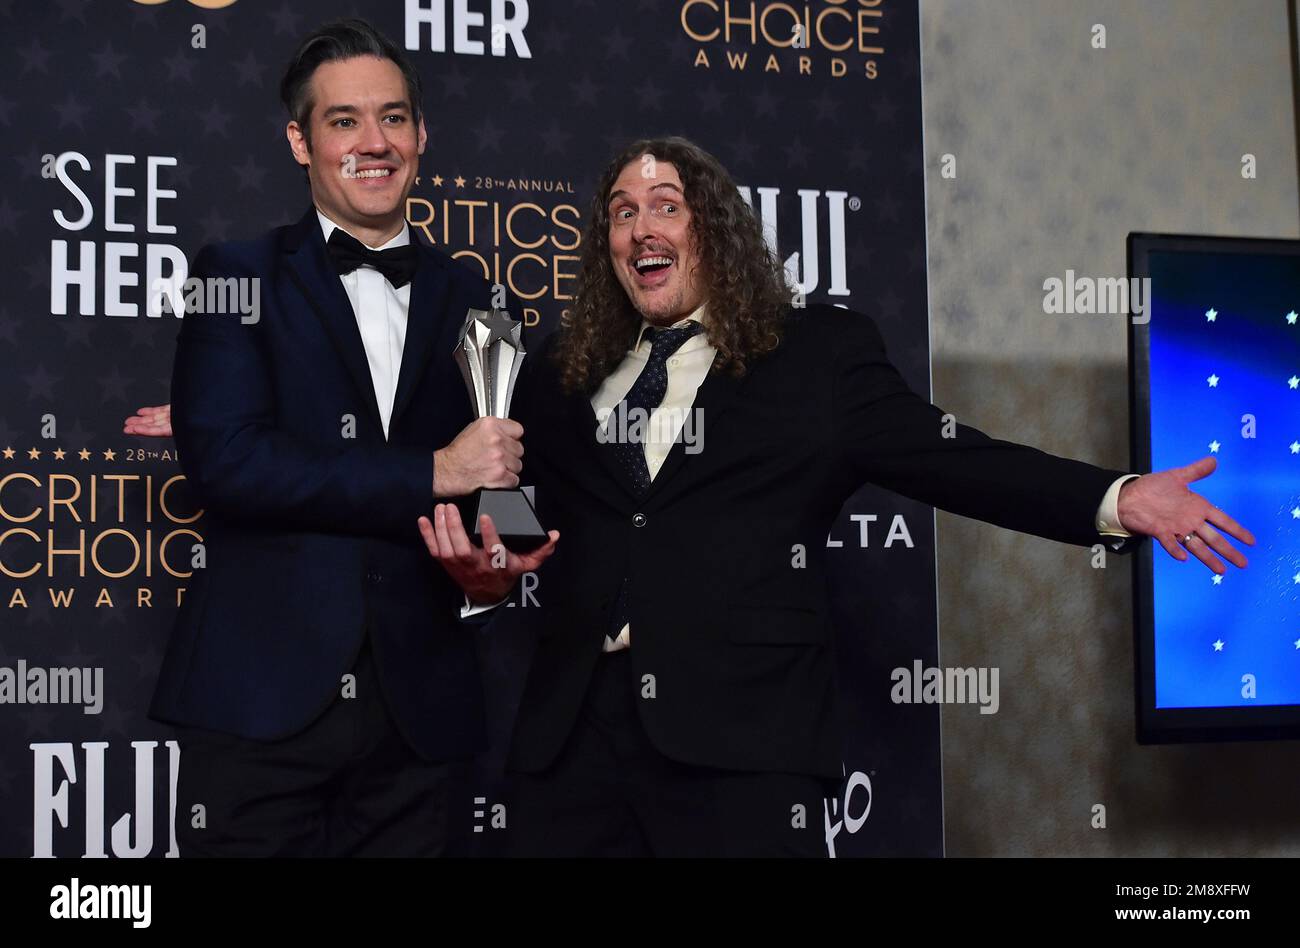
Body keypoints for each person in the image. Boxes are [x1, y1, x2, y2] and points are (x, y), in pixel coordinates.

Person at [418, 137, 1255, 857]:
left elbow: (955, 458)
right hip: (571, 745)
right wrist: (491, 569)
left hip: (741, 748)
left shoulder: (815, 356)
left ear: (716, 227)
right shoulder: (564, 369)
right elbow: (513, 494)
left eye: (666, 206)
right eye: (621, 211)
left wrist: (1117, 496)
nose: (642, 227)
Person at [132, 18, 556, 857]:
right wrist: (431, 471)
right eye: (344, 121)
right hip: (259, 701)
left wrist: (499, 572)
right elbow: (228, 462)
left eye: (394, 118)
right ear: (300, 141)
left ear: (423, 134)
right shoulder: (234, 274)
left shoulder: (481, 297)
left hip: (419, 718)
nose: (375, 142)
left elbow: (500, 470)